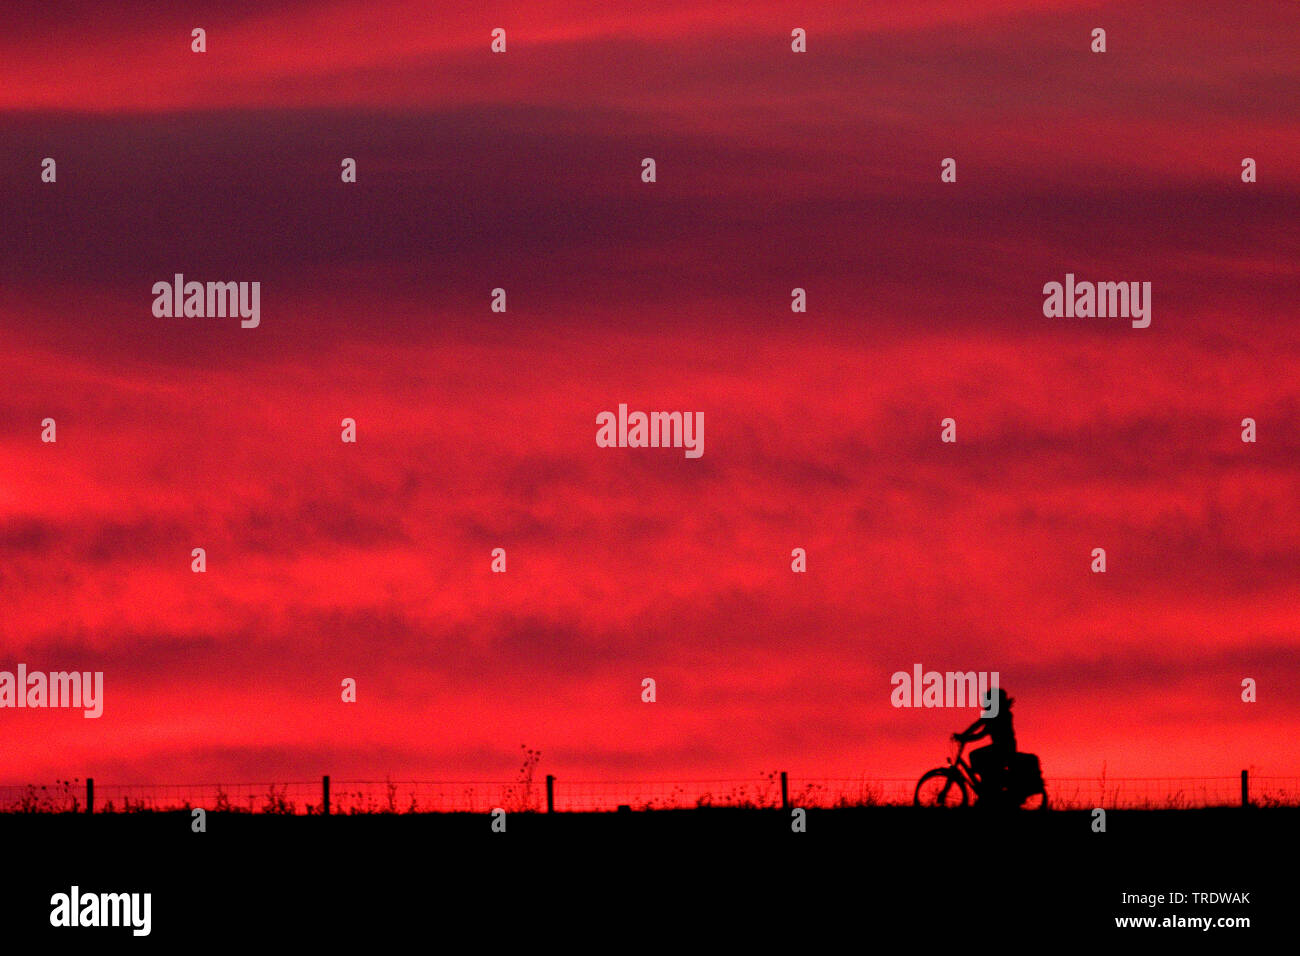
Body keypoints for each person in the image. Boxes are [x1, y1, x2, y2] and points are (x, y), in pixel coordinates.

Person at [953, 688, 1016, 797]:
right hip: (1004, 747)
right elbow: (977, 726)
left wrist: (964, 737)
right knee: (982, 761)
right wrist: (965, 736)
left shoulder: (998, 715)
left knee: (975, 755)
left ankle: (987, 787)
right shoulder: (999, 713)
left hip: (1003, 747)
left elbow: (980, 730)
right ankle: (987, 785)